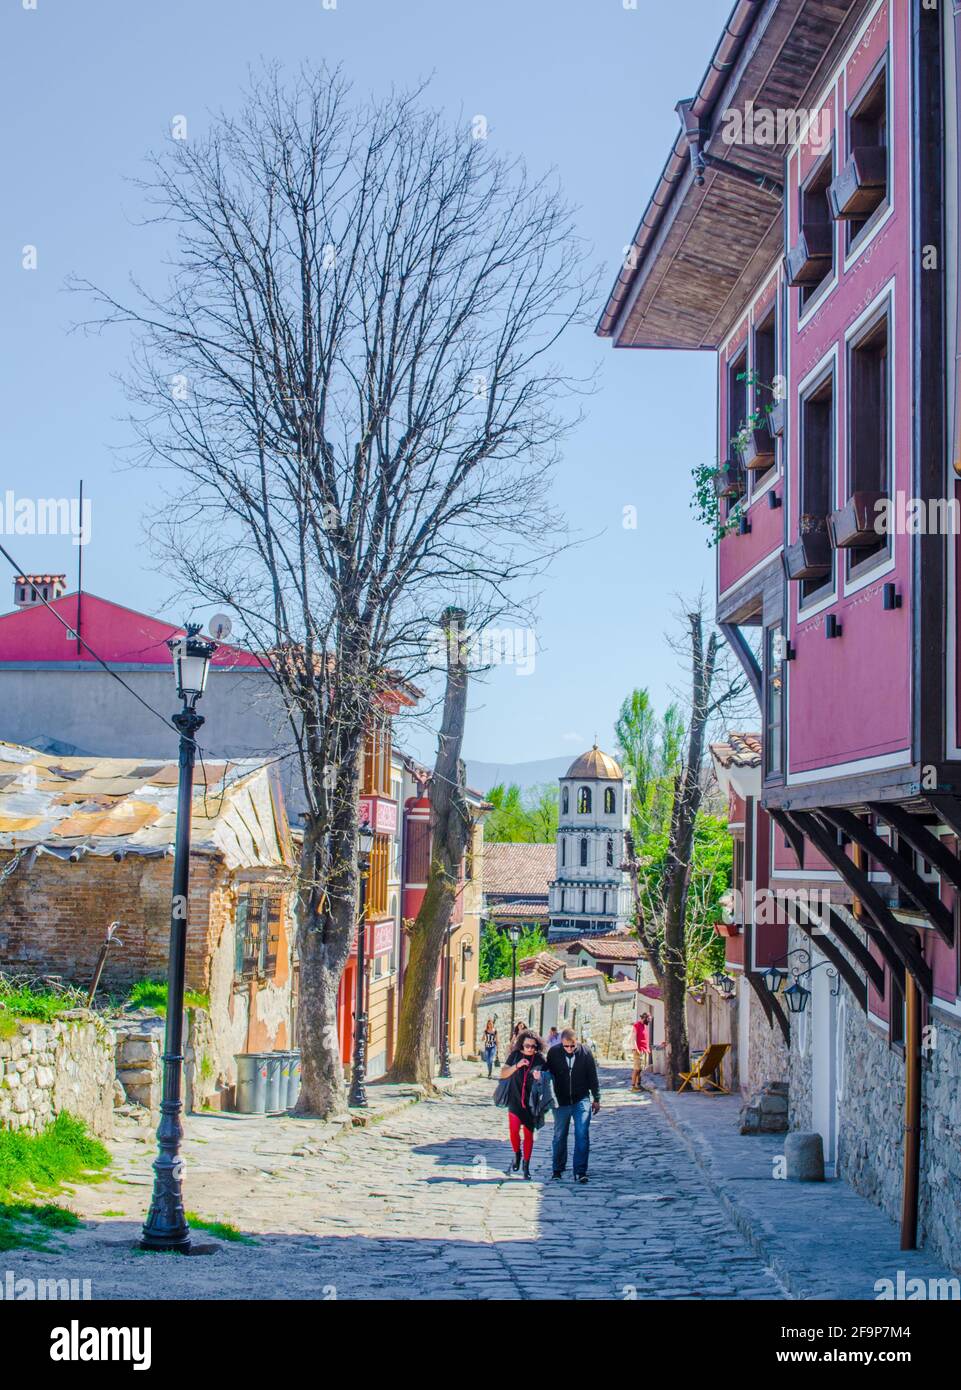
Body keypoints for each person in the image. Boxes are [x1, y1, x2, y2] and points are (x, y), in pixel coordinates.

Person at [545, 1027, 600, 1184]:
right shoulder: (554, 1053)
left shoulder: (586, 1053)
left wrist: (596, 1098)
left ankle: (580, 1171)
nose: (569, 1049)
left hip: (581, 1099)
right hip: (560, 1101)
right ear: (561, 1043)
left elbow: (592, 1077)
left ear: (577, 1042)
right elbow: (547, 1072)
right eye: (566, 1046)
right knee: (559, 1135)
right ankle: (557, 1169)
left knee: (582, 1133)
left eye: (572, 1046)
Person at [499, 1029, 548, 1179]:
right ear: (522, 1045)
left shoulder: (540, 1060)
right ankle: (517, 1154)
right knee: (514, 1131)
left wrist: (541, 1077)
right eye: (527, 1046)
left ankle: (526, 1167)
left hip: (531, 1103)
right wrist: (517, 1066)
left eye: (533, 1046)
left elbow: (548, 1080)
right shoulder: (515, 1056)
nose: (530, 1049)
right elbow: (503, 1074)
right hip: (514, 1099)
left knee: (529, 1135)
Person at [631, 1012, 651, 1091]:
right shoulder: (636, 1025)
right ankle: (633, 1086)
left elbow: (645, 1039)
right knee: (636, 1069)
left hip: (643, 1050)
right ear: (644, 1018)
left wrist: (647, 1049)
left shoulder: (644, 1026)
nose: (649, 1021)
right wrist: (637, 1049)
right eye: (648, 1019)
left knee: (640, 1069)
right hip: (638, 1050)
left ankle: (638, 1084)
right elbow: (634, 1039)